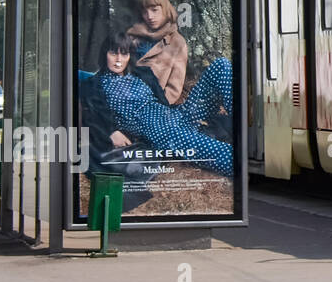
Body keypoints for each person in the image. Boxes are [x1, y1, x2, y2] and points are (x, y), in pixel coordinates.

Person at [94, 30, 233, 178]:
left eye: (124, 54)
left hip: (179, 114)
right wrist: (112, 132)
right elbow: (92, 116)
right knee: (226, 155)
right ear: (105, 54)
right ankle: (244, 161)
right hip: (159, 133)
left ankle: (242, 127)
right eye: (113, 53)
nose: (118, 60)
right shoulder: (96, 85)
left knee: (221, 65)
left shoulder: (140, 73)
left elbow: (163, 101)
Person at [128, 0, 233, 141]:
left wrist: (157, 112)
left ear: (165, 10)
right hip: (131, 110)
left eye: (155, 10)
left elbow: (173, 90)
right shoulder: (130, 37)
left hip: (163, 111)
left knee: (222, 65)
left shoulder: (176, 42)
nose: (149, 16)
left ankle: (238, 122)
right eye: (145, 11)